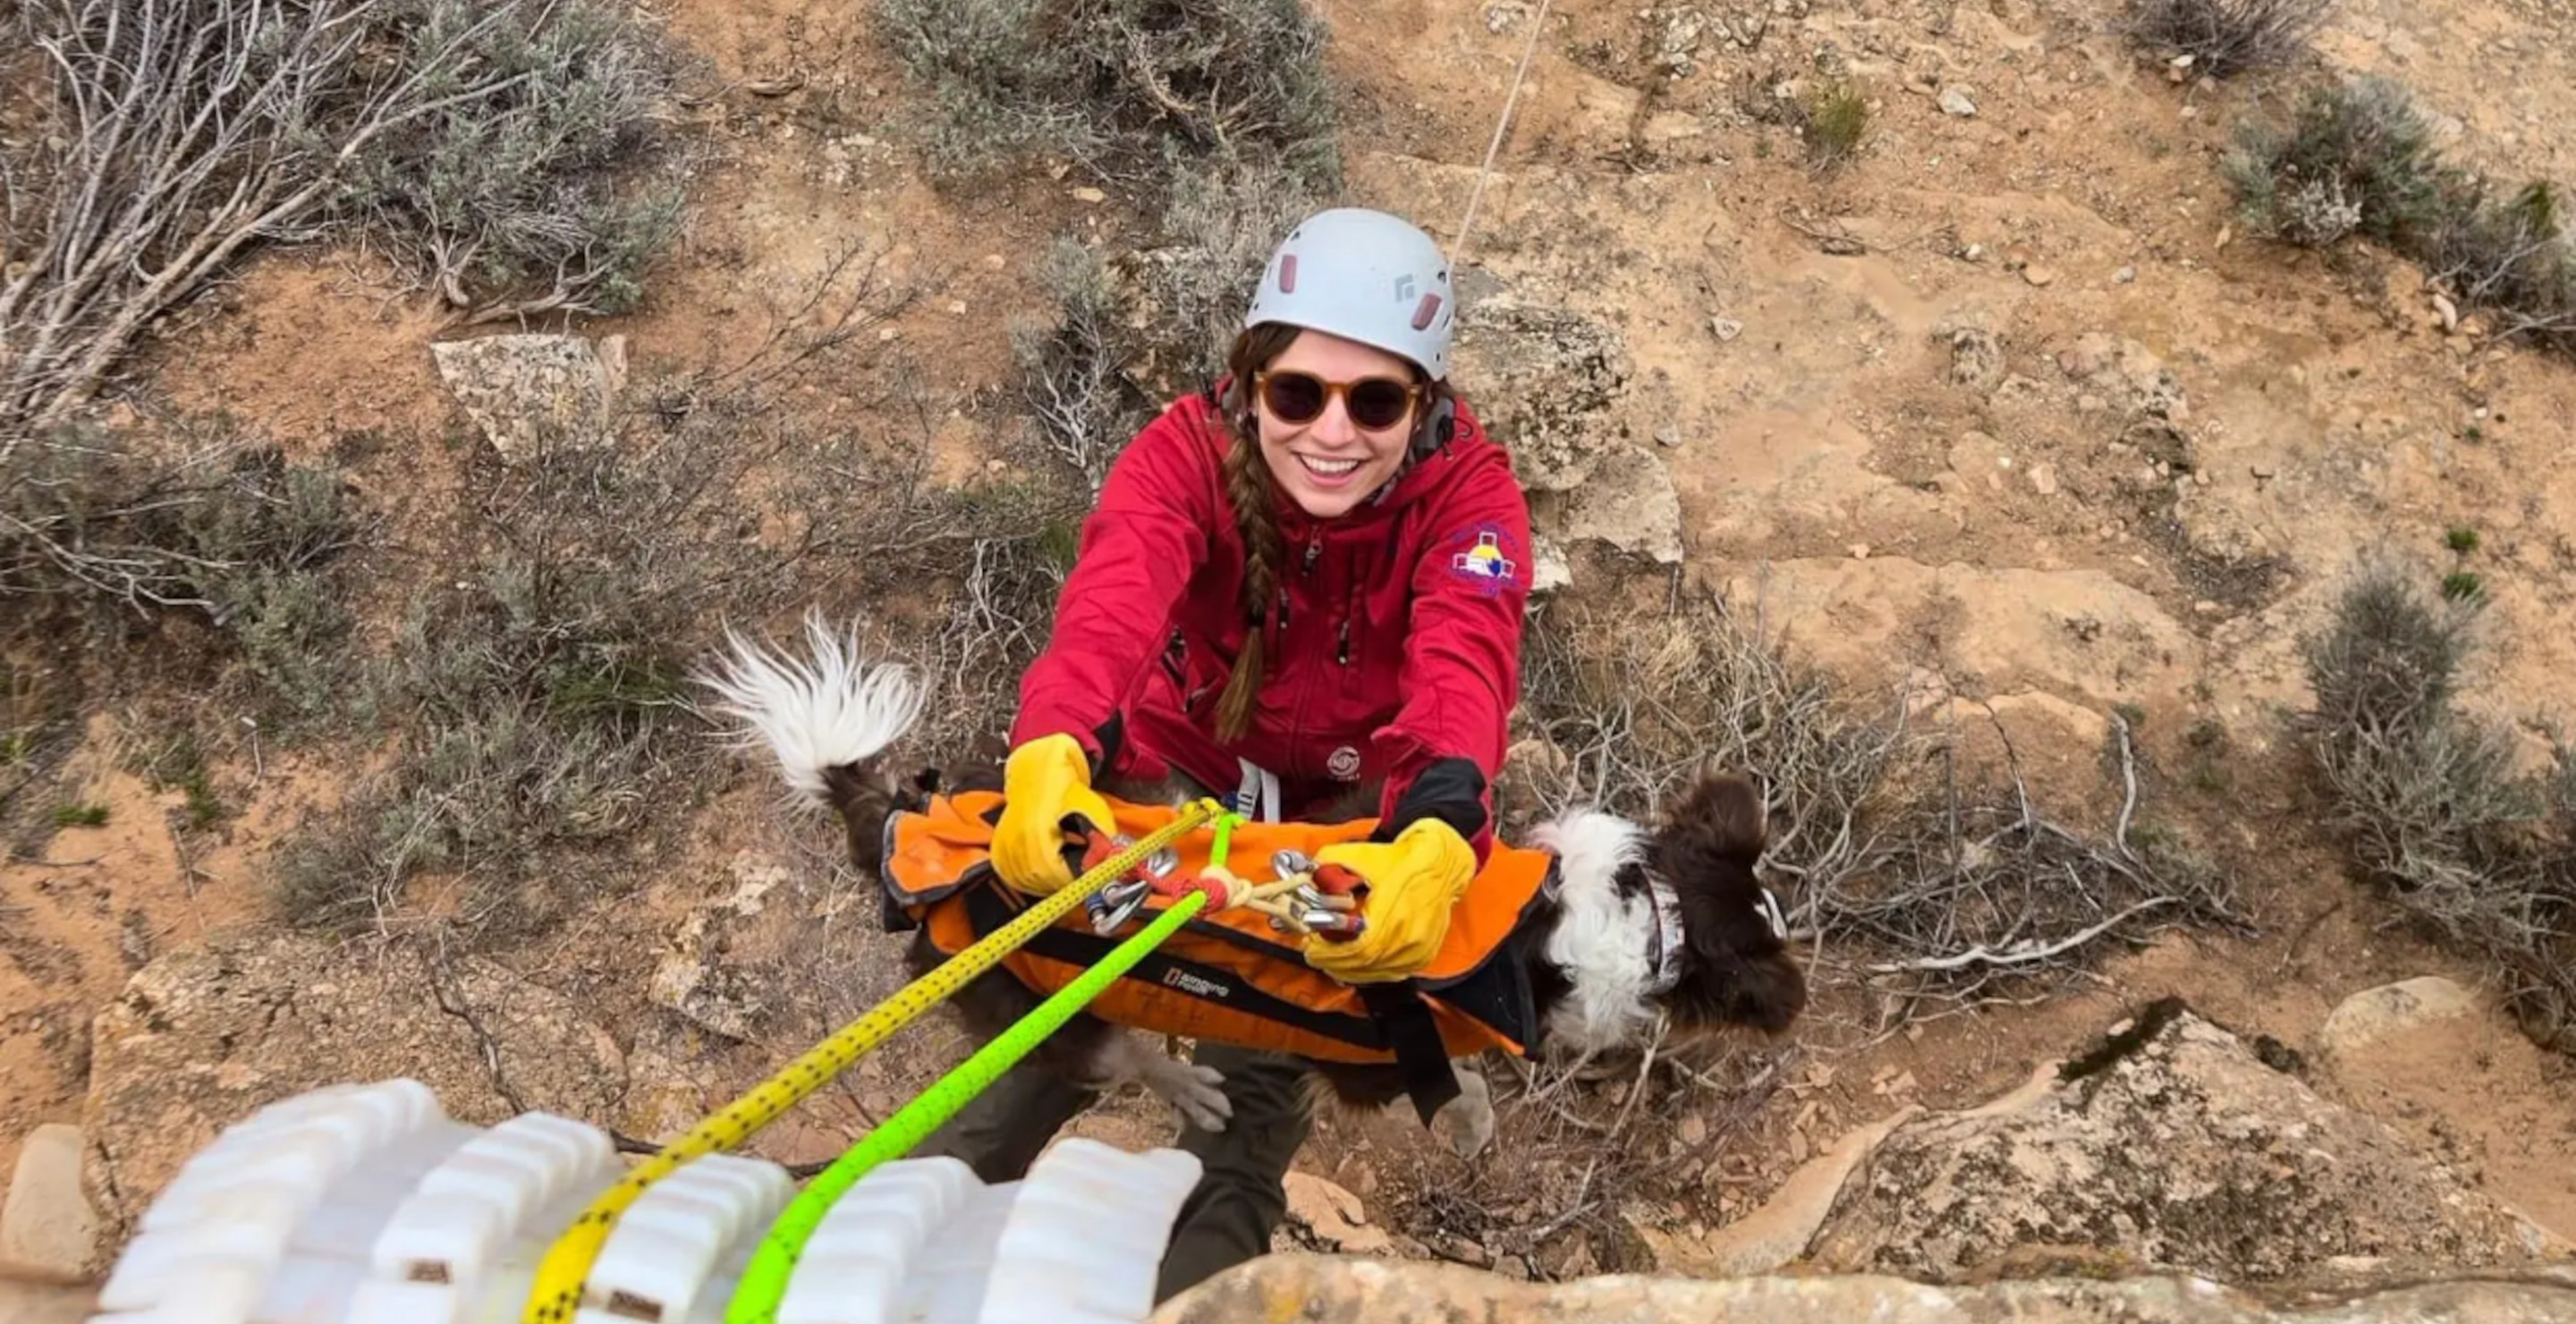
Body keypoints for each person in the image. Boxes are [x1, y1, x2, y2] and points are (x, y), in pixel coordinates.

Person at [916, 207, 1534, 1303]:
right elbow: (1112, 605)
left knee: (1249, 1116)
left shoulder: (1469, 500)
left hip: (1336, 830)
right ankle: (889, 1267)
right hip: (1173, 779)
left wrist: (1438, 826)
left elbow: (1464, 664)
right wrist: (1052, 746)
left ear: (1426, 406)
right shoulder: (1183, 455)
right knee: (1048, 1044)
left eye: (1375, 402)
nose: (1332, 433)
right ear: (1251, 386)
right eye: (1298, 395)